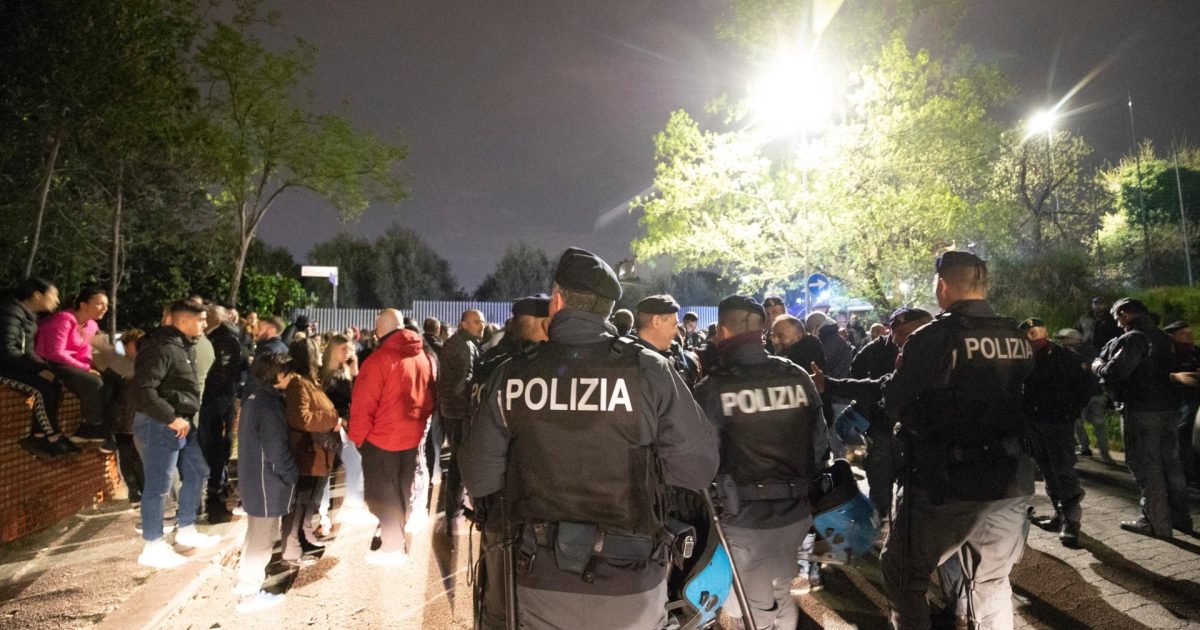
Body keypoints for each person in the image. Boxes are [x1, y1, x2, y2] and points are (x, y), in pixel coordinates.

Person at [460, 247, 719, 630]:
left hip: (541, 576)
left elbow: (479, 479)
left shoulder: (512, 375)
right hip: (632, 583)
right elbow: (697, 470)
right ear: (608, 309)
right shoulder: (649, 369)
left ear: (558, 300)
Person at [880, 251, 1035, 629]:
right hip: (1010, 477)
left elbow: (894, 403)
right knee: (992, 582)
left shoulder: (932, 337)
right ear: (985, 286)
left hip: (947, 482)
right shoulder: (1016, 335)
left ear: (943, 285)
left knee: (904, 576)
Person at [692, 295, 827, 629]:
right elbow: (820, 444)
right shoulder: (796, 376)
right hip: (795, 512)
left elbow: (701, 458)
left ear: (723, 332)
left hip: (744, 518)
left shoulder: (714, 387)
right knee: (780, 590)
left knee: (754, 606)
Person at [467, 294, 551, 630]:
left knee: (496, 597)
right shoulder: (536, 366)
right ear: (546, 323)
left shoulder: (489, 360)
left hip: (492, 500)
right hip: (525, 497)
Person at [1093, 298, 1193, 538]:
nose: (1117, 324)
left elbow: (1115, 372)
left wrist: (1097, 366)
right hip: (1169, 409)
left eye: (1117, 318)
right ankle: (1181, 519)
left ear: (1125, 314)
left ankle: (1155, 523)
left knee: (1147, 466)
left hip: (1142, 410)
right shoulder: (1165, 339)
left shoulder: (1134, 338)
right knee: (1172, 464)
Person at [131, 299, 220, 568]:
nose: (205, 324)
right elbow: (143, 390)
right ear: (183, 320)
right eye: (200, 320)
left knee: (198, 471)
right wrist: (170, 417)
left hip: (181, 422)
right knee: (158, 486)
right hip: (160, 423)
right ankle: (152, 546)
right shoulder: (160, 347)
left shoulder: (182, 345)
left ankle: (186, 529)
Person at [348, 308, 436, 565]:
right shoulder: (422, 356)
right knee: (403, 488)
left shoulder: (378, 360)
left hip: (382, 438)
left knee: (383, 494)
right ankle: (397, 534)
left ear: (380, 330)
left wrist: (358, 438)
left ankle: (392, 546)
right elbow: (431, 396)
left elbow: (363, 404)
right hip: (412, 436)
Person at [232, 352, 297, 613]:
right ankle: (248, 594)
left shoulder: (254, 398)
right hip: (266, 483)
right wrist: (291, 474)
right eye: (290, 374)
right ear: (279, 375)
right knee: (262, 540)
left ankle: (244, 585)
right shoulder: (270, 406)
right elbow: (276, 450)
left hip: (254, 480)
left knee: (255, 536)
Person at [1019, 318, 1090, 547]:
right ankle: (1060, 515)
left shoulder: (1063, 356)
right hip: (1035, 422)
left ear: (1044, 333)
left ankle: (1071, 522)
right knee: (1048, 470)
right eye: (1029, 334)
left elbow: (1084, 386)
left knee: (1063, 470)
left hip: (1057, 422)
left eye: (1035, 332)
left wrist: (1070, 412)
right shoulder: (1023, 358)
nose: (1032, 337)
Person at [280, 337, 342, 567]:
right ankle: (291, 549)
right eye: (317, 352)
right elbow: (302, 418)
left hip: (315, 452)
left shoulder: (307, 381)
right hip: (306, 453)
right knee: (300, 502)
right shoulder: (298, 383)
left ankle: (305, 537)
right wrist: (332, 418)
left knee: (309, 501)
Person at [0, 279, 74, 458]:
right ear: (37, 295)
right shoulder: (10, 311)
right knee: (41, 388)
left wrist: (44, 368)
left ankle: (38, 435)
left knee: (54, 383)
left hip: (13, 364)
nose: (57, 300)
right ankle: (53, 436)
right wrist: (38, 369)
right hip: (4, 367)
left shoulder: (28, 316)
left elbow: (28, 352)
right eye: (54, 295)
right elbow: (8, 351)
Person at [35, 286, 110, 445]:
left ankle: (107, 427)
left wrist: (87, 367)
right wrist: (85, 369)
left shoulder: (91, 325)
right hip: (51, 363)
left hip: (70, 364)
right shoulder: (63, 319)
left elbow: (85, 351)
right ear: (83, 305)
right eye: (99, 304)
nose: (105, 308)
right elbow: (55, 353)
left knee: (113, 378)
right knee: (94, 382)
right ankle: (91, 427)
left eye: (106, 305)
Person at [436, 308, 485, 537]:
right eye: (476, 322)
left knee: (457, 462)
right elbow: (462, 384)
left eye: (482, 322)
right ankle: (454, 512)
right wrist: (474, 402)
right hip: (460, 412)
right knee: (459, 463)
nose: (481, 325)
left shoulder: (458, 342)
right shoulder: (465, 346)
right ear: (463, 324)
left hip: (451, 410)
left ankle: (453, 511)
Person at [199, 303, 246, 523]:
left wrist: (209, 392)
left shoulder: (223, 340)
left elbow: (220, 372)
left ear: (213, 318)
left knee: (213, 441)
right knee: (218, 441)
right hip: (223, 396)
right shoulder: (229, 337)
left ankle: (215, 482)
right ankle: (217, 479)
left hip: (216, 398)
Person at [321, 334, 369, 524]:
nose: (349, 352)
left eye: (351, 349)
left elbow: (356, 397)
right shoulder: (324, 373)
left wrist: (355, 373)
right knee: (326, 468)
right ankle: (323, 510)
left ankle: (352, 502)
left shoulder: (346, 371)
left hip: (344, 426)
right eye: (344, 349)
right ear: (333, 349)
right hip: (328, 426)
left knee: (354, 461)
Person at [1056, 328, 1112, 461]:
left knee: (1077, 422)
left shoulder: (1071, 354)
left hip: (1081, 395)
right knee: (1099, 424)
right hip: (1097, 392)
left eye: (1064, 339)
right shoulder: (1093, 351)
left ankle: (1085, 448)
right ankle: (1105, 454)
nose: (1062, 342)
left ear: (1073, 339)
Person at [631, 294, 699, 389]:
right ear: (656, 322)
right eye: (674, 324)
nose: (676, 331)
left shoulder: (674, 352)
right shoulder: (627, 360)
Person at [1163, 321, 1200, 485]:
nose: (1189, 336)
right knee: (1182, 435)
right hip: (1178, 400)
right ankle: (1187, 472)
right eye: (1185, 334)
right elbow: (1158, 374)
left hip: (1195, 397)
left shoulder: (1196, 351)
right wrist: (1177, 377)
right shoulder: (1167, 353)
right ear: (1173, 336)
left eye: (1190, 333)